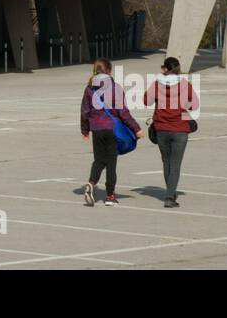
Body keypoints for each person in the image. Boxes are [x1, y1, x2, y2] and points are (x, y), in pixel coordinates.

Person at [80, 58, 140, 207]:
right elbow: (123, 112)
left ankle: (92, 183)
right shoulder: (115, 88)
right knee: (111, 163)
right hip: (112, 128)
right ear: (109, 70)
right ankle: (110, 196)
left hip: (97, 129)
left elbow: (84, 111)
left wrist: (85, 130)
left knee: (99, 160)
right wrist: (136, 128)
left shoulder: (89, 88)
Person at [144, 56, 199, 208]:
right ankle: (170, 196)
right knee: (175, 163)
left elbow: (146, 101)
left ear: (165, 69)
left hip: (161, 128)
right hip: (180, 129)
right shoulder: (184, 85)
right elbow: (194, 105)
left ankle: (170, 191)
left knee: (166, 161)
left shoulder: (157, 84)